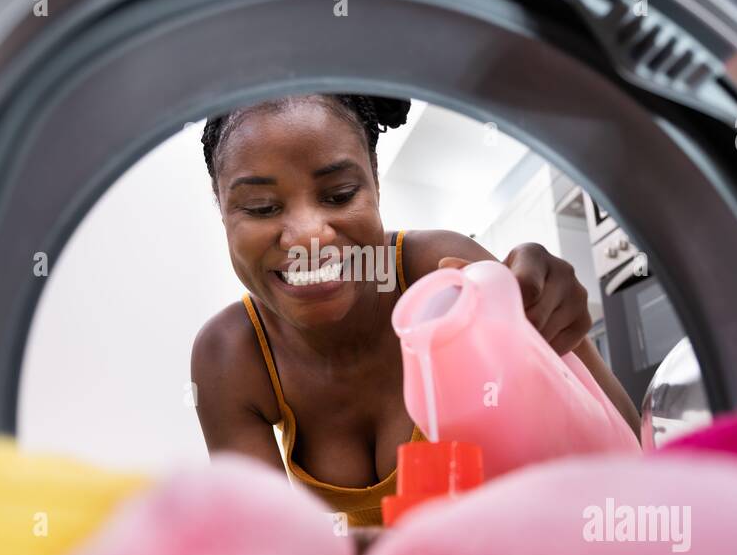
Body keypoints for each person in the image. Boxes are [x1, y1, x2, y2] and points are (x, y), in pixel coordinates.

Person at [191, 94, 639, 526]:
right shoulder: (231, 357)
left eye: (339, 194)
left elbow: (629, 452)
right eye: (262, 207)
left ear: (376, 184)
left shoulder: (436, 272)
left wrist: (563, 336)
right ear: (221, 208)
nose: (309, 236)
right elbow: (268, 554)